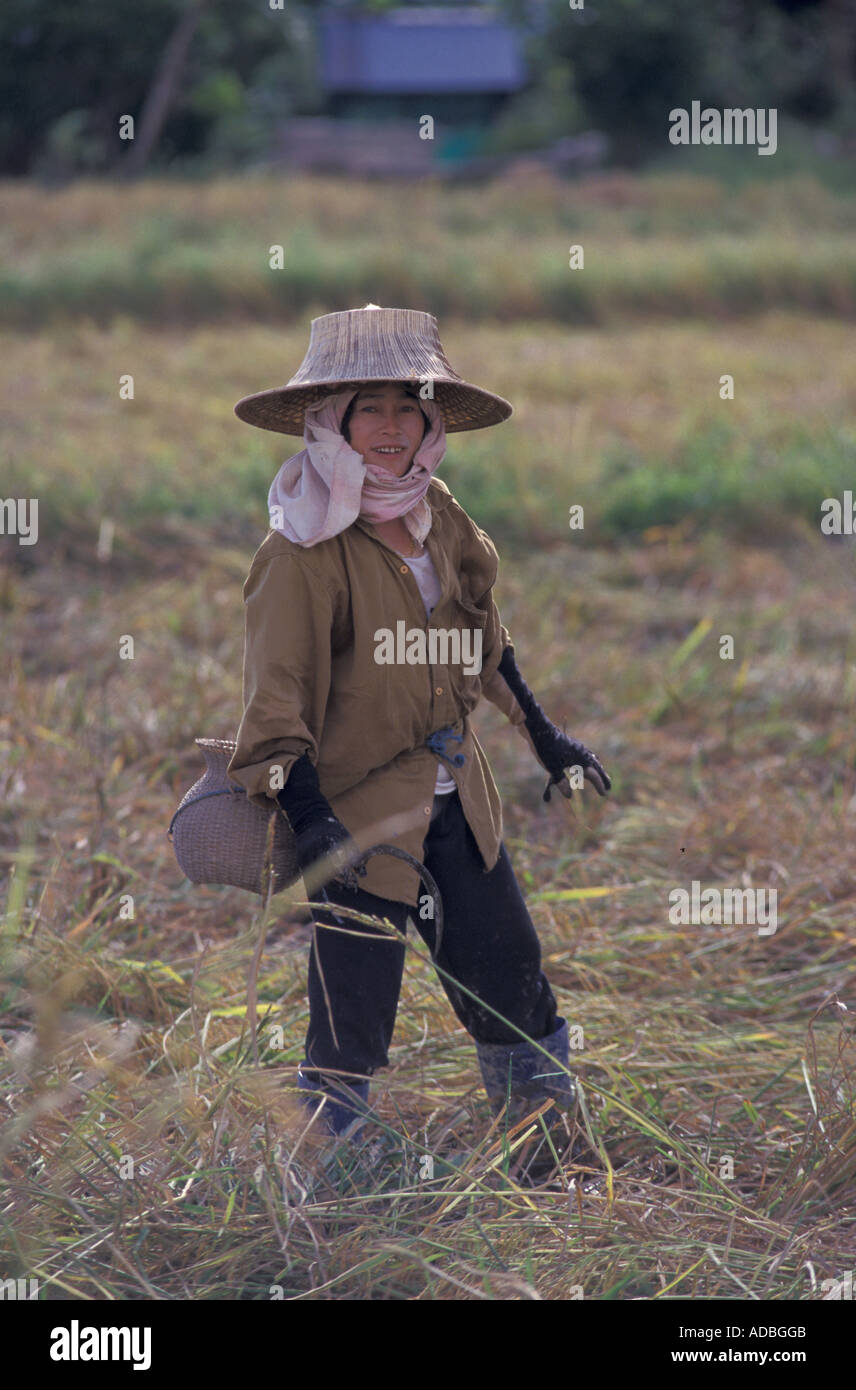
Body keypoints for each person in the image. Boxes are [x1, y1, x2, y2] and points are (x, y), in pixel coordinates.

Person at [226, 304, 611, 1183]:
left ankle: (550, 1158)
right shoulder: (302, 552)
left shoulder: (439, 515)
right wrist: (313, 821)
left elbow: (484, 635)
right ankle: (331, 1199)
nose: (393, 428)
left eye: (411, 406)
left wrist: (543, 735)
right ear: (333, 422)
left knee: (511, 980)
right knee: (352, 1019)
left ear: (433, 421)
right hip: (358, 814)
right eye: (371, 409)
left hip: (457, 798)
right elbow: (274, 706)